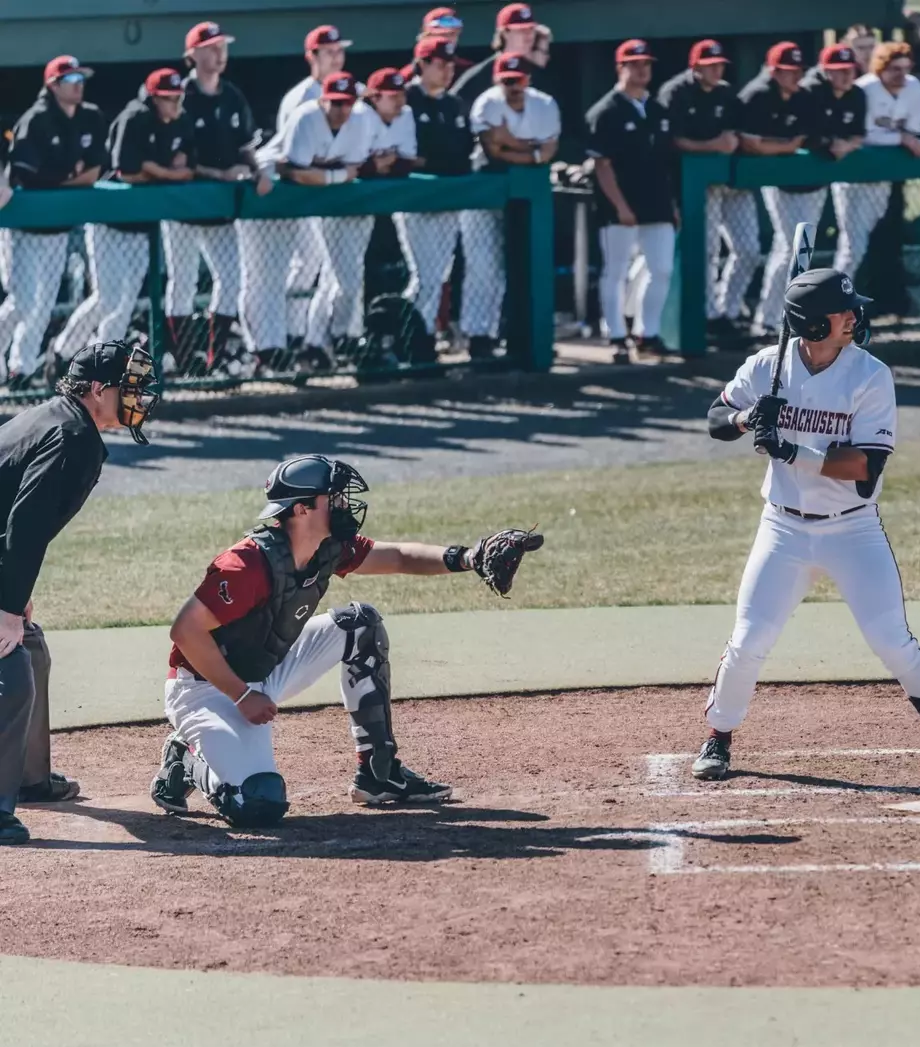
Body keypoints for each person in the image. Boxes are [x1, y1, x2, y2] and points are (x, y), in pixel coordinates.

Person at [150, 455, 544, 827]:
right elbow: (185, 632)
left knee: (361, 625)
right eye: (333, 498)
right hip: (206, 688)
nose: (343, 505)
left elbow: (400, 557)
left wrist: (469, 557)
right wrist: (239, 695)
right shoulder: (245, 564)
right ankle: (186, 760)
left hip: (266, 669)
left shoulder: (328, 547)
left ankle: (379, 774)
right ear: (302, 508)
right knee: (258, 802)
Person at [693, 267, 920, 783]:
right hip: (783, 530)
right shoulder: (765, 366)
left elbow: (865, 469)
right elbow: (714, 418)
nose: (854, 317)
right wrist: (747, 417)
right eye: (844, 312)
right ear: (815, 325)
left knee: (891, 640)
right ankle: (717, 738)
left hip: (853, 530)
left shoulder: (870, 375)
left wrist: (791, 448)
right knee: (749, 640)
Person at [0, 342, 159, 844]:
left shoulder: (57, 418)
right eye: (128, 386)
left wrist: (13, 595)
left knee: (33, 651)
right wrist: (6, 610)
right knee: (12, 675)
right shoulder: (72, 436)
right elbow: (24, 525)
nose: (138, 395)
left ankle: (29, 780)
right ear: (97, 390)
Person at [54, 70, 195, 364]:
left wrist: (152, 170)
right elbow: (128, 171)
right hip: (110, 222)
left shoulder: (180, 120)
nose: (176, 104)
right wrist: (166, 172)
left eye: (179, 97)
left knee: (123, 302)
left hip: (141, 228)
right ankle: (80, 359)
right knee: (109, 300)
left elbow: (187, 164)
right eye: (169, 99)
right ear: (154, 98)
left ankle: (85, 357)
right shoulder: (135, 117)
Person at [167, 21, 267, 375]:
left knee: (231, 278)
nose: (219, 53)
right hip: (184, 205)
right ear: (192, 55)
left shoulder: (232, 95)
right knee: (182, 281)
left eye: (222, 46)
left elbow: (244, 145)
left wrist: (256, 170)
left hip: (222, 207)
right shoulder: (179, 95)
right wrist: (217, 174)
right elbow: (175, 160)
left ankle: (215, 355)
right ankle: (180, 358)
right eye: (210, 47)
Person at [0, 57, 106, 389]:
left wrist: (63, 180)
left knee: (43, 304)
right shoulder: (37, 120)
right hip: (24, 229)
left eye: (81, 77)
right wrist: (70, 177)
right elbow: (25, 178)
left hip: (58, 229)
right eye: (70, 77)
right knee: (23, 302)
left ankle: (22, 369)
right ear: (53, 85)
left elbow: (94, 171)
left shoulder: (88, 116)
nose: (78, 83)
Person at [263, 72, 376, 372]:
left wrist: (322, 172)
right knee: (270, 275)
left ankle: (320, 341)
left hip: (320, 199)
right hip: (267, 194)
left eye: (347, 103)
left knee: (340, 276)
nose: (341, 110)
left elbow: (355, 167)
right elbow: (294, 172)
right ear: (323, 100)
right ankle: (278, 344)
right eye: (335, 103)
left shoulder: (361, 119)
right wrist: (335, 174)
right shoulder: (307, 117)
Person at [586, 40, 677, 364]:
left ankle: (646, 333)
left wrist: (672, 206)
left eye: (646, 64)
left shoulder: (656, 109)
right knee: (616, 271)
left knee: (661, 269)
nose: (642, 69)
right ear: (620, 67)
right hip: (618, 208)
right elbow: (602, 164)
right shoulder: (606, 111)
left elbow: (667, 163)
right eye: (634, 63)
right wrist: (621, 206)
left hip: (657, 204)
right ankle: (615, 335)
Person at [468, 54, 560, 362]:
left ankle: (521, 335)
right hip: (484, 190)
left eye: (518, 80)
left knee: (527, 262)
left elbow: (548, 151)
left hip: (528, 195)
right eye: (507, 81)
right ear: (497, 81)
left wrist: (512, 144)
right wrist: (530, 148)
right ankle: (480, 337)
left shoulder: (544, 104)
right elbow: (492, 151)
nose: (514, 86)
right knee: (484, 265)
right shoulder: (487, 103)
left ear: (528, 80)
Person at [661, 39, 753, 346]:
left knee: (749, 249)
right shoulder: (676, 92)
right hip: (688, 186)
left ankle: (726, 309)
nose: (716, 69)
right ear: (696, 67)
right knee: (706, 250)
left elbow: (740, 134)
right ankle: (708, 314)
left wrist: (733, 142)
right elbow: (672, 141)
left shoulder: (727, 94)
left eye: (719, 65)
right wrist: (713, 146)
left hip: (730, 183)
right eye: (710, 65)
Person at [740, 42, 820, 339]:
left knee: (794, 250)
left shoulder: (804, 97)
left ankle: (778, 316)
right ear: (774, 71)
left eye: (798, 70)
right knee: (788, 248)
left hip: (804, 182)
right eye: (787, 71)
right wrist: (785, 147)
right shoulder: (758, 95)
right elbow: (750, 143)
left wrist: (778, 147)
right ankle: (765, 318)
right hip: (765, 182)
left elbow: (809, 138)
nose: (794, 76)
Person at [402, 36, 476, 342]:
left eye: (451, 65)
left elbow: (461, 151)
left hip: (449, 198)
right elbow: (412, 155)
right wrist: (430, 160)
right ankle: (407, 333)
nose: (448, 71)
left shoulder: (454, 103)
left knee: (439, 275)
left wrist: (433, 159)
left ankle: (424, 334)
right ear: (422, 65)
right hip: (415, 199)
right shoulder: (406, 98)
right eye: (441, 64)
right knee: (425, 275)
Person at [836, 42, 920, 282]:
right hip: (854, 175)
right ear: (880, 68)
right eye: (895, 69)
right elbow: (862, 135)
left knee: (878, 240)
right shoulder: (864, 89)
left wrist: (902, 137)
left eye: (905, 69)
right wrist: (900, 137)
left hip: (884, 175)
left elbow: (915, 130)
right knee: (853, 246)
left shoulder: (913, 86)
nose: (901, 75)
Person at [802, 43, 867, 278]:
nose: (846, 74)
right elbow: (802, 136)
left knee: (855, 243)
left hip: (838, 173)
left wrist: (846, 145)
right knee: (797, 248)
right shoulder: (810, 92)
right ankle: (774, 313)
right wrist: (829, 144)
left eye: (850, 69)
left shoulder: (857, 94)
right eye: (839, 70)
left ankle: (831, 302)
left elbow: (860, 134)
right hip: (798, 178)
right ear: (826, 71)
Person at [453, 3, 550, 102]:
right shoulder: (481, 75)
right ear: (504, 33)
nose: (528, 36)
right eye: (521, 30)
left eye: (531, 29)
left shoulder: (539, 72)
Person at [398, 7, 465, 81]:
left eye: (451, 35)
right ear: (424, 38)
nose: (444, 41)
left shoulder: (467, 71)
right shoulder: (405, 77)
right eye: (439, 36)